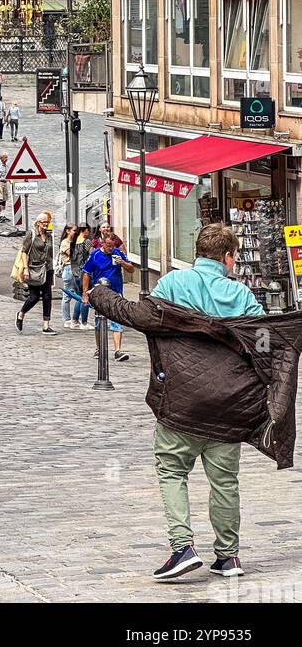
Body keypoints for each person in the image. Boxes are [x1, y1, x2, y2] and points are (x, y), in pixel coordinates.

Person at [89, 225, 301, 583]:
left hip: (182, 405)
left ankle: (182, 548)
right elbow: (263, 349)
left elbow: (141, 316)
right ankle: (229, 556)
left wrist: (100, 296)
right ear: (229, 257)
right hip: (230, 408)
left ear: (197, 251)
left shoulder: (172, 285)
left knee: (172, 470)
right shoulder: (243, 295)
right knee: (225, 482)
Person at [81, 229, 133, 362]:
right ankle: (99, 348)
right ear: (102, 243)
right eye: (108, 245)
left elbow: (131, 269)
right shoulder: (95, 255)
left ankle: (117, 351)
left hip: (116, 292)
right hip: (100, 293)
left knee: (117, 321)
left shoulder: (118, 253)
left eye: (113, 246)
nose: (111, 248)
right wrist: (85, 293)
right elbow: (86, 273)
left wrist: (123, 263)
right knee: (99, 322)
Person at [15, 214, 56, 335]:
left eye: (47, 222)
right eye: (44, 222)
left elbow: (50, 252)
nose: (46, 224)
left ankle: (46, 325)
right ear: (38, 222)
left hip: (47, 268)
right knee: (34, 297)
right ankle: (21, 313)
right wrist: (26, 269)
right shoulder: (31, 234)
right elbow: (24, 252)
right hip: (34, 269)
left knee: (48, 296)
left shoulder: (49, 236)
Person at [60, 225, 93, 329]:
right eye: (74, 231)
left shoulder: (76, 242)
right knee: (78, 296)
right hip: (75, 270)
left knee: (79, 296)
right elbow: (73, 255)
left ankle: (74, 320)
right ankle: (74, 320)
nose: (75, 232)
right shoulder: (72, 242)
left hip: (75, 271)